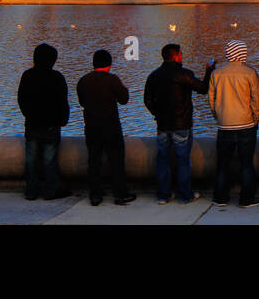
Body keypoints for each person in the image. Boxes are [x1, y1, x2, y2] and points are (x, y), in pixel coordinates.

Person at [144, 44, 215, 205]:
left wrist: (157, 114)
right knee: (182, 160)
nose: (182, 56)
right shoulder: (184, 74)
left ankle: (163, 195)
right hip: (181, 124)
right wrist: (209, 70)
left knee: (162, 159)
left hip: (162, 125)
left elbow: (147, 100)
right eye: (181, 54)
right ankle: (185, 195)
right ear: (175, 56)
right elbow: (203, 88)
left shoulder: (154, 75)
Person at [76, 50, 135, 206]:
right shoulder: (113, 80)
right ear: (109, 64)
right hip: (111, 127)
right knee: (116, 162)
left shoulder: (83, 81)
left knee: (94, 161)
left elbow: (82, 102)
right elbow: (124, 99)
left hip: (91, 127)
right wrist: (124, 88)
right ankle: (120, 194)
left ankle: (95, 195)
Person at [208, 40, 259, 207]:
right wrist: (256, 118)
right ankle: (247, 198)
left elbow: (211, 99)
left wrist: (218, 116)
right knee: (246, 163)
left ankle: (220, 197)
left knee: (223, 163)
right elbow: (256, 100)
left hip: (225, 124)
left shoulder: (216, 73)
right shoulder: (249, 73)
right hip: (246, 123)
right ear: (243, 53)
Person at [17, 43, 70, 201]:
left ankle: (31, 191)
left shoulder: (27, 75)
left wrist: (28, 115)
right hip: (51, 125)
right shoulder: (57, 77)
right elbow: (63, 102)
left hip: (32, 124)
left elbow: (21, 99)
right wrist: (62, 120)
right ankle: (50, 191)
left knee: (31, 160)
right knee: (49, 160)